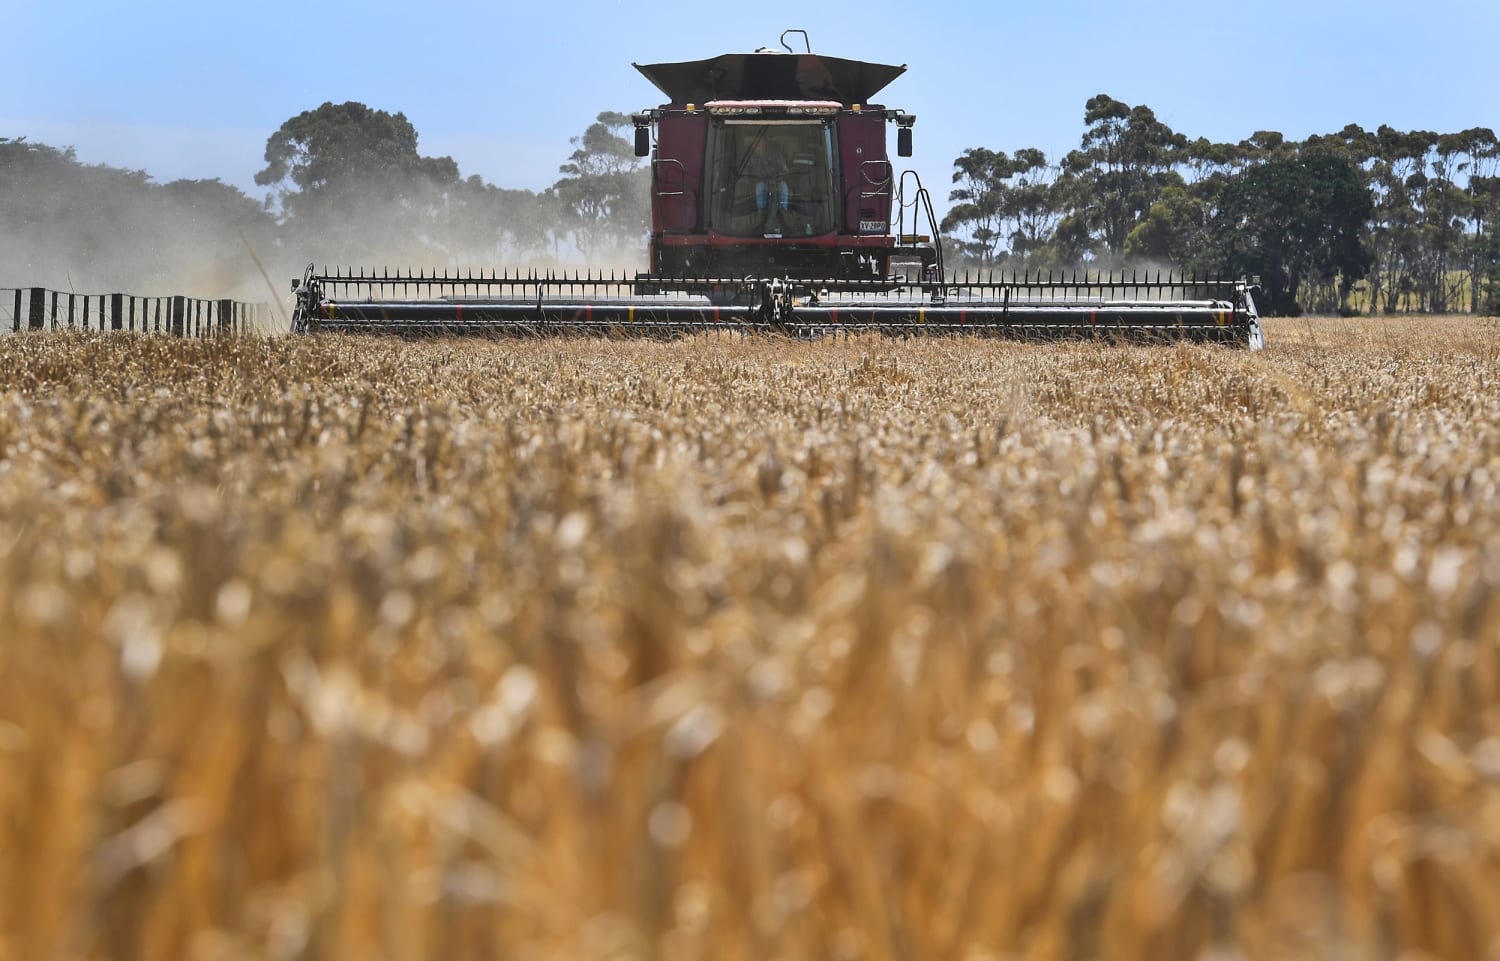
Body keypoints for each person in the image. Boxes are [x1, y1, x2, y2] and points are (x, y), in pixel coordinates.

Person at [743, 137, 789, 233]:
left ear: (764, 143)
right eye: (755, 144)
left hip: (777, 181)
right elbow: (745, 175)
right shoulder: (750, 157)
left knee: (784, 186)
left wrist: (777, 179)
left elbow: (785, 171)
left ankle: (784, 210)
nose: (757, 145)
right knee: (759, 187)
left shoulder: (776, 155)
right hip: (761, 182)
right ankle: (761, 213)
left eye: (760, 143)